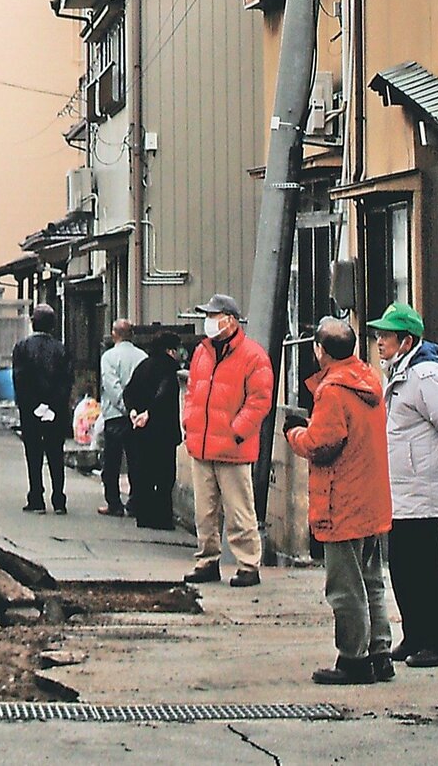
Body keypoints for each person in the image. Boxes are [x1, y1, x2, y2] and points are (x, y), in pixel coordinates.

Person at [284, 318, 394, 684]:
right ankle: (380, 652)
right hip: (371, 500)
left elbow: (322, 445)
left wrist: (295, 433)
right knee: (371, 581)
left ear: (321, 350)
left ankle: (353, 658)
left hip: (341, 501)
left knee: (345, 587)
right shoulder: (367, 380)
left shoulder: (332, 390)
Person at [367, 302, 438, 668]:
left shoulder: (427, 376)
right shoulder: (400, 372)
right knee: (401, 566)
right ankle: (414, 635)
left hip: (423, 492)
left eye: (386, 335)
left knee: (426, 568)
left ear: (406, 340)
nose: (379, 341)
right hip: (402, 491)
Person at [182, 293, 272, 587]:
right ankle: (207, 560)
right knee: (204, 511)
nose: (209, 322)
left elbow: (260, 400)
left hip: (232, 448)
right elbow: (193, 390)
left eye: (213, 315)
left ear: (230, 320)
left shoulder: (253, 355)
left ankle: (248, 565)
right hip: (202, 444)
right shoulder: (202, 352)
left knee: (239, 510)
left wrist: (237, 431)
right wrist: (189, 422)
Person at [12, 304, 73, 515]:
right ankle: (59, 499)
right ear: (53, 325)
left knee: (34, 455)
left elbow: (20, 381)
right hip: (55, 411)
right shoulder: (61, 349)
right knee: (56, 454)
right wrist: (52, 406)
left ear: (33, 322)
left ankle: (36, 497)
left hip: (31, 411)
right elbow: (66, 382)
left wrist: (34, 405)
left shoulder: (21, 347)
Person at [123, 331, 183, 530]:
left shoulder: (144, 365)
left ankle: (144, 515)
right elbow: (163, 394)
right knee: (165, 477)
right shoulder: (169, 369)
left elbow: (128, 391)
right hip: (163, 432)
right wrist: (150, 412)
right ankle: (163, 518)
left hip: (140, 429)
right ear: (170, 350)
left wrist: (134, 412)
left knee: (144, 474)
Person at [98, 319, 147, 517]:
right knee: (136, 460)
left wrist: (125, 406)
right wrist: (136, 408)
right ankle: (136, 502)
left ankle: (114, 503)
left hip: (115, 415)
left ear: (114, 334)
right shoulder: (143, 357)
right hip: (138, 417)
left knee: (112, 462)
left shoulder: (108, 357)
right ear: (132, 335)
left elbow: (111, 386)